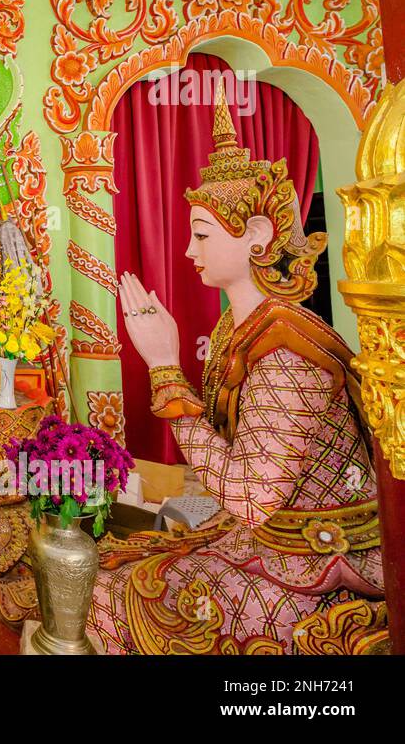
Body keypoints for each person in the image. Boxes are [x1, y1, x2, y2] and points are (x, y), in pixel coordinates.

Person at [87, 89, 381, 654]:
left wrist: (166, 368)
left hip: (322, 562)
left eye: (202, 233)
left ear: (258, 237)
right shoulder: (237, 327)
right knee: (112, 565)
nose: (190, 249)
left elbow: (250, 496)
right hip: (269, 539)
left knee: (114, 596)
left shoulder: (288, 347)